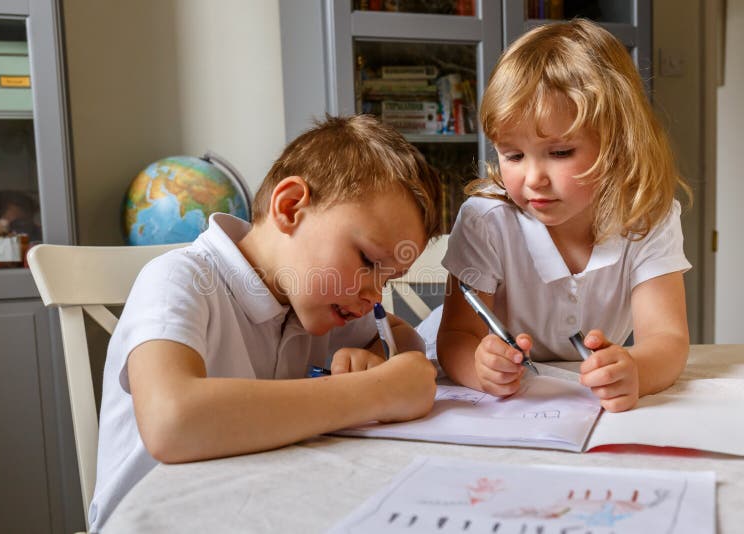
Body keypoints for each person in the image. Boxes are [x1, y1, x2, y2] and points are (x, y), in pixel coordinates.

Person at [89, 114, 442, 531]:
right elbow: (172, 421)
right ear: (290, 207)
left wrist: (375, 356)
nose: (375, 295)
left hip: (252, 512)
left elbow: (400, 338)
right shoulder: (179, 279)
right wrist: (376, 391)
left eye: (388, 279)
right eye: (367, 261)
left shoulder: (316, 299)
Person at [437, 19, 692, 414]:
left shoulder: (648, 218)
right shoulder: (485, 220)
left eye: (559, 153)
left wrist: (635, 371)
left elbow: (667, 339)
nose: (533, 179)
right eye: (513, 155)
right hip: (506, 407)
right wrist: (480, 368)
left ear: (618, 146)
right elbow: (456, 335)